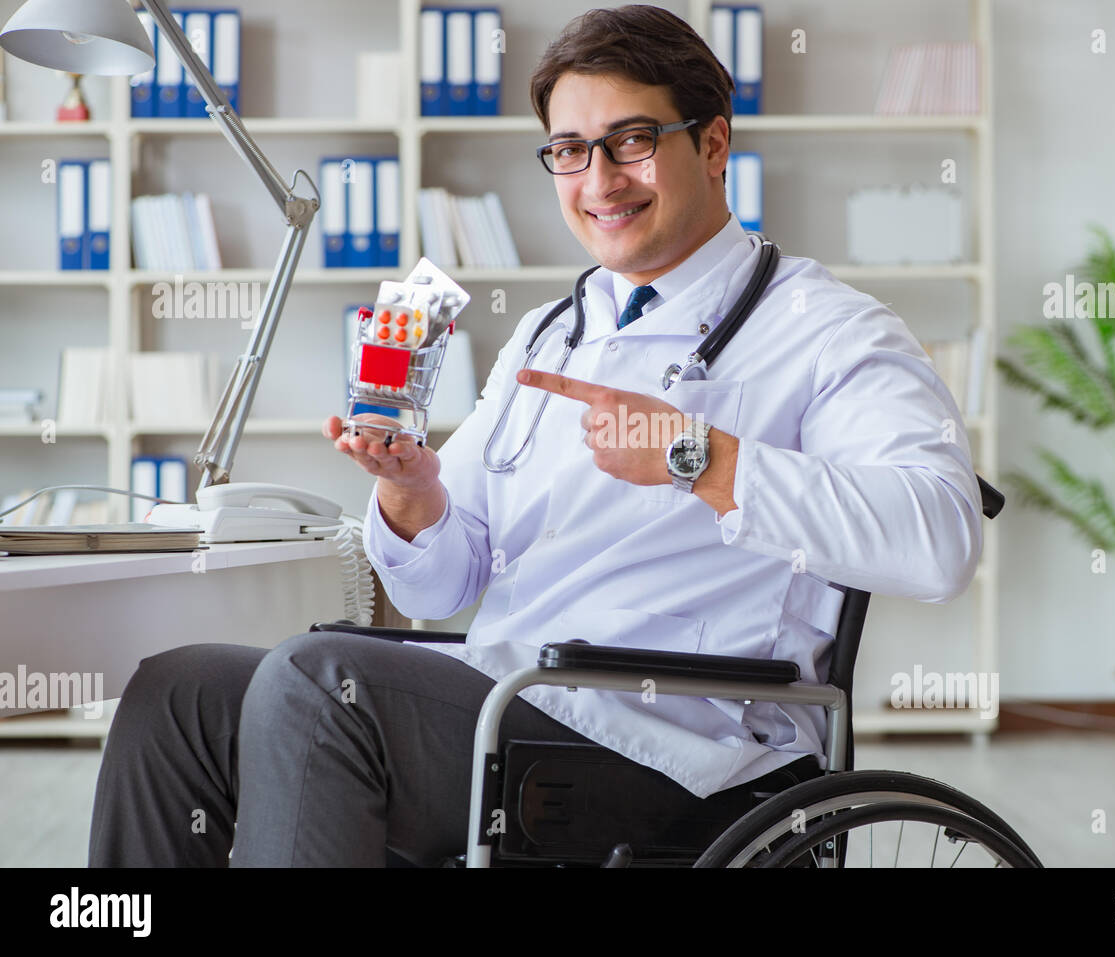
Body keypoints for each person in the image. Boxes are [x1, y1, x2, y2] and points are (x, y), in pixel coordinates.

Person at [88, 4, 981, 867]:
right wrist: (413, 494)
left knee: (322, 683)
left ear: (712, 144)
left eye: (633, 140)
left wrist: (697, 456)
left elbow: (941, 538)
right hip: (515, 701)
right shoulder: (554, 330)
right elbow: (447, 584)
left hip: (679, 748)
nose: (600, 181)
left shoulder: (828, 328)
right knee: (178, 693)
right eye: (570, 150)